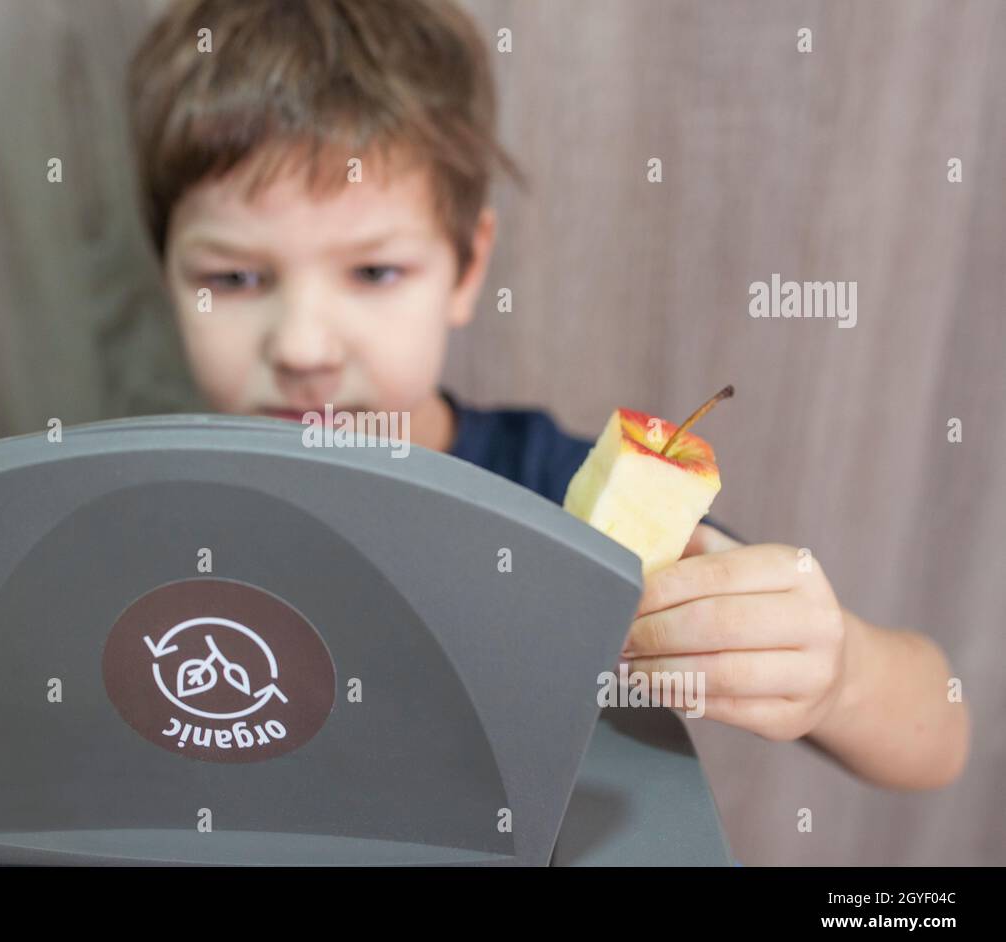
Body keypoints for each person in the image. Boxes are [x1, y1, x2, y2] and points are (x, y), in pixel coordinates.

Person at [126, 0, 968, 790]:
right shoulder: (129, 512)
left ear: (468, 266)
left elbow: (940, 734)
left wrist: (841, 673)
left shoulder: (563, 503)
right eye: (233, 277)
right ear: (166, 274)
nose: (304, 346)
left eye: (375, 271)